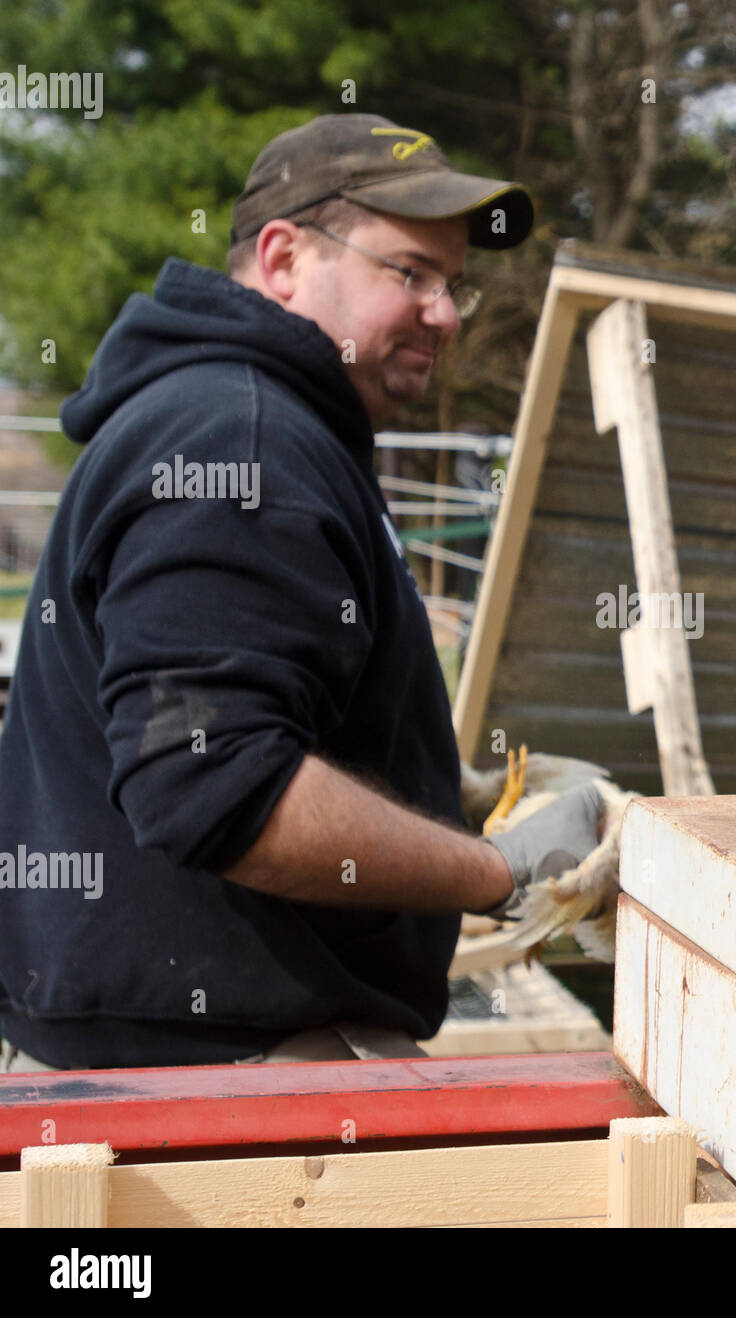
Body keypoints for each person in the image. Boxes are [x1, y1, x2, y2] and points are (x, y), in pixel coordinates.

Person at [0, 114, 602, 1073]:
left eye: (454, 284)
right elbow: (214, 788)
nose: (445, 313)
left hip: (187, 1063)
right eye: (409, 272)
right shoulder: (239, 444)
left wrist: (435, 793)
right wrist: (497, 871)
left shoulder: (248, 421)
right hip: (211, 1097)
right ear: (282, 259)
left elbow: (257, 721)